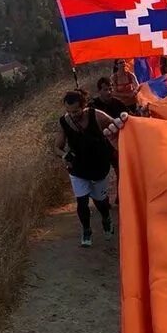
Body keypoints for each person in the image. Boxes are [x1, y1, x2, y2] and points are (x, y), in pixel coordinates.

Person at [55, 89, 124, 247]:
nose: (73, 114)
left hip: (99, 166)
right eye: (69, 111)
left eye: (76, 110)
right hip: (78, 169)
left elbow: (117, 126)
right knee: (82, 201)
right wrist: (64, 155)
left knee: (100, 202)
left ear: (83, 106)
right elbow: (57, 147)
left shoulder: (96, 115)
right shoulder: (64, 122)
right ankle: (86, 230)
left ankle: (106, 218)